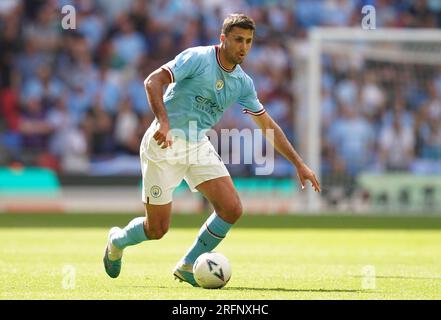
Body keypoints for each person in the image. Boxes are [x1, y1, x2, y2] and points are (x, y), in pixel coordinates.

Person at [103, 13, 321, 286]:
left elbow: (267, 125)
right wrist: (163, 121)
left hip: (197, 145)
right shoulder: (198, 58)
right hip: (163, 144)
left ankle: (187, 265)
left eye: (249, 41)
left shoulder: (242, 82)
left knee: (231, 208)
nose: (244, 46)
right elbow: (153, 81)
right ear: (223, 39)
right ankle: (117, 241)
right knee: (157, 229)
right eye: (238, 39)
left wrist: (299, 163)